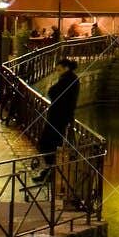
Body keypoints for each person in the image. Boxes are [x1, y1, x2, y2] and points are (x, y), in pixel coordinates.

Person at [32, 59, 80, 192]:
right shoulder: (68, 79)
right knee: (50, 144)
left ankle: (50, 172)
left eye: (59, 70)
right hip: (59, 117)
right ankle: (49, 172)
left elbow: (54, 93)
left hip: (59, 118)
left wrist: (52, 90)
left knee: (49, 144)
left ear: (66, 68)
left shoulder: (68, 80)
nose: (57, 73)